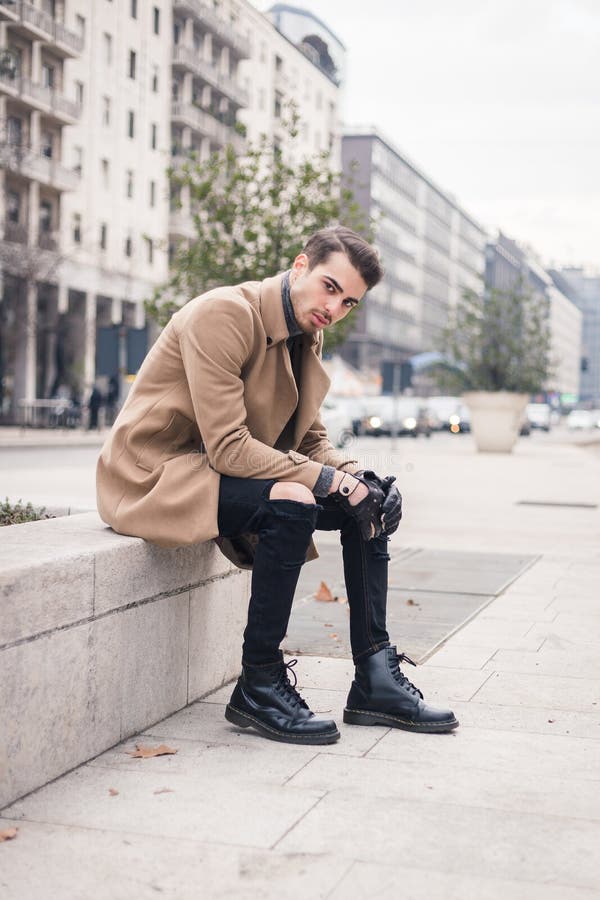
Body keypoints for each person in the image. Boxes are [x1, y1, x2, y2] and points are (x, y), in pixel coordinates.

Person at [96, 226, 458, 745]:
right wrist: (332, 481)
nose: (334, 308)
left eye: (349, 302)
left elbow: (311, 444)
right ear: (299, 267)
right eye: (329, 287)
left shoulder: (305, 334)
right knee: (293, 498)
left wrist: (359, 478)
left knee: (368, 504)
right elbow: (228, 447)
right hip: (155, 475)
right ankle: (259, 683)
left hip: (218, 474)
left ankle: (375, 677)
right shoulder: (223, 314)